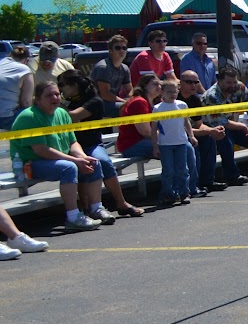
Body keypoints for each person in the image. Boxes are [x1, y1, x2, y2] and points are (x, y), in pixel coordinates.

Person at [8, 78, 110, 228]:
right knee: (68, 168)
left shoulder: (62, 113)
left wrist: (82, 157)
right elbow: (41, 150)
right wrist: (75, 161)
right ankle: (73, 217)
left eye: (57, 94)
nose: (55, 98)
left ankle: (96, 209)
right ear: (38, 99)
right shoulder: (29, 117)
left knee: (94, 162)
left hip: (57, 159)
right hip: (30, 163)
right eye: (49, 95)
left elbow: (72, 142)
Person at [57, 71, 143, 216]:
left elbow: (74, 116)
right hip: (71, 146)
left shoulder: (94, 101)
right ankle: (86, 208)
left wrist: (56, 103)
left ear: (74, 85)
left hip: (91, 144)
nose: (60, 89)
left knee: (103, 161)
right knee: (83, 166)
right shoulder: (68, 102)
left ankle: (121, 203)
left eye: (62, 85)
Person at [151, 77, 198, 205]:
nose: (173, 94)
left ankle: (184, 192)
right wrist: (155, 147)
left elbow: (186, 122)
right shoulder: (157, 108)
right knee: (168, 170)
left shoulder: (182, 105)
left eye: (175, 91)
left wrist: (191, 135)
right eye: (169, 92)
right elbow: (154, 128)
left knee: (183, 169)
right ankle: (168, 193)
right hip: (165, 144)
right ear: (162, 92)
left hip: (181, 142)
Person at [115, 74, 161, 162]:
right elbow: (146, 132)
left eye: (160, 84)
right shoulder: (139, 102)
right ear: (144, 86)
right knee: (171, 147)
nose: (159, 87)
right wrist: (168, 136)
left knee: (185, 145)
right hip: (132, 144)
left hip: (148, 140)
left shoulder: (156, 102)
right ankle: (171, 175)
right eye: (155, 84)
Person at [90, 35, 132, 106]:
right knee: (124, 108)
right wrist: (124, 102)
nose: (121, 50)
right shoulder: (103, 68)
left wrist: (130, 98)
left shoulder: (125, 68)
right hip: (97, 103)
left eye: (124, 48)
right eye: (117, 48)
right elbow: (105, 95)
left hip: (112, 101)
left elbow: (130, 90)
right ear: (110, 50)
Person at [0, 39, 34, 127]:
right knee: (34, 115)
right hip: (5, 117)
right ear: (27, 60)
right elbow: (26, 102)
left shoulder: (1, 63)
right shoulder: (24, 70)